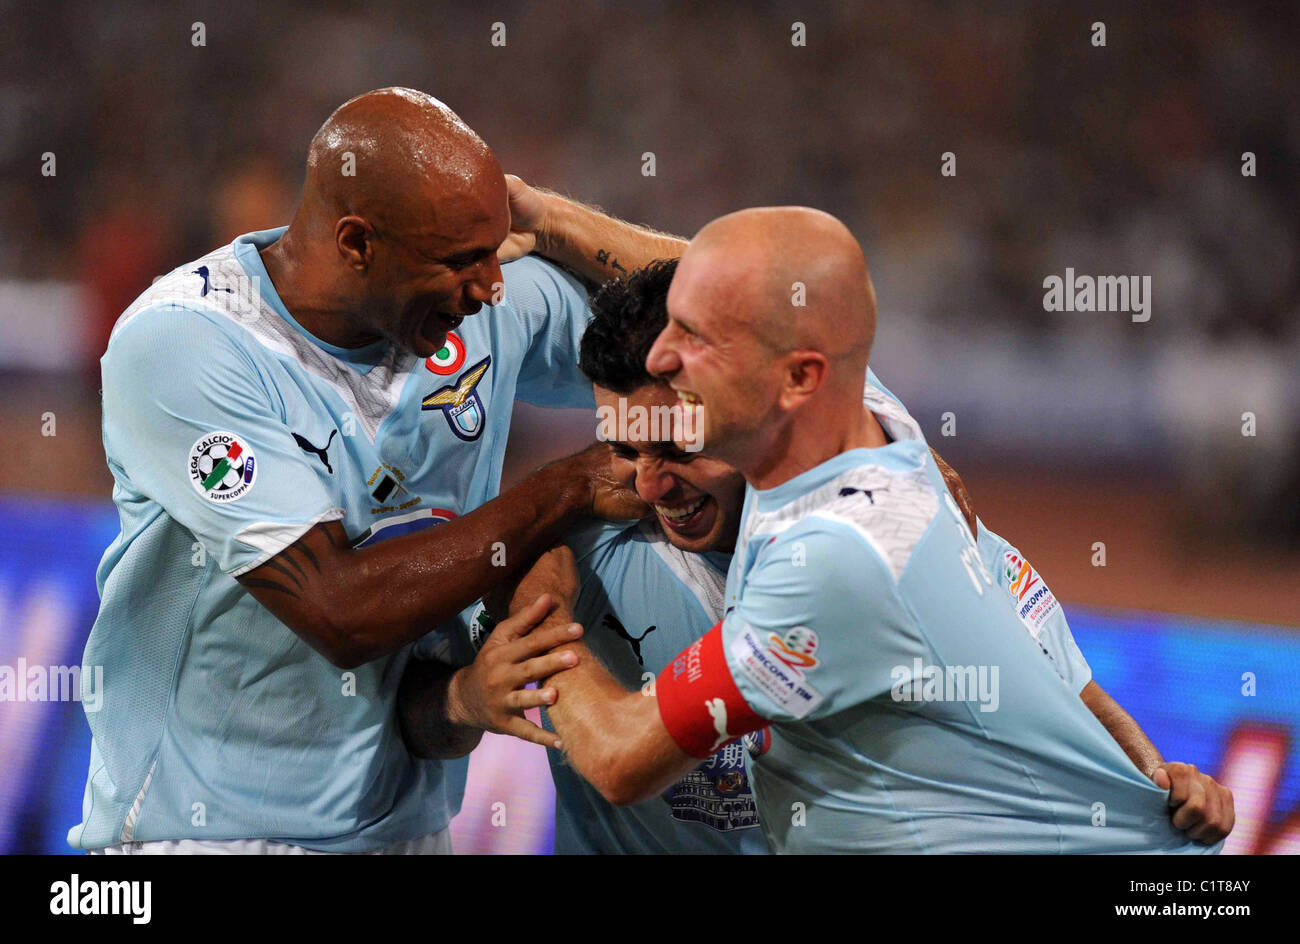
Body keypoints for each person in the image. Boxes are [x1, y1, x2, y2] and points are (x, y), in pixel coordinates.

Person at [402, 258, 1232, 852]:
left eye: (679, 447)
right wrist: (476, 689)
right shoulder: (581, 550)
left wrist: (1160, 784)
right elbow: (418, 720)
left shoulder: (891, 542)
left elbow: (1070, 688)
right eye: (622, 449)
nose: (652, 485)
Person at [72, 87, 685, 854]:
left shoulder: (479, 302)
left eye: (496, 253)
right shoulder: (187, 348)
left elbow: (722, 316)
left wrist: (562, 223)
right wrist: (561, 490)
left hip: (410, 829)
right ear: (357, 242)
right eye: (462, 261)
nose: (492, 286)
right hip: (212, 835)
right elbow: (339, 611)